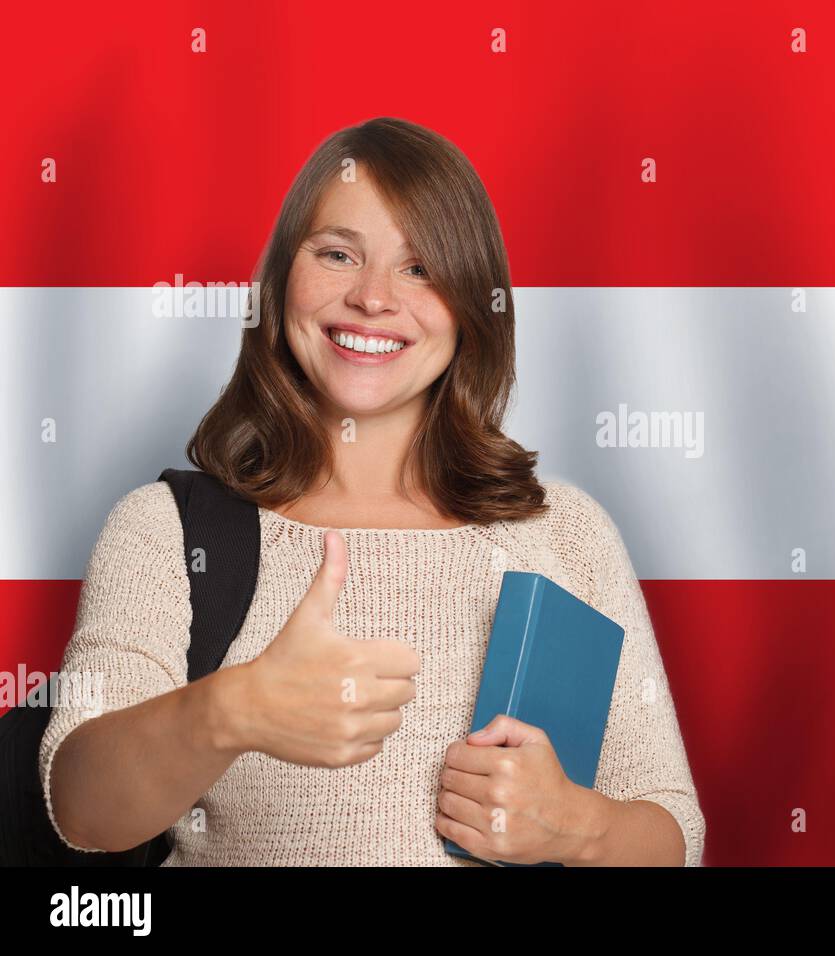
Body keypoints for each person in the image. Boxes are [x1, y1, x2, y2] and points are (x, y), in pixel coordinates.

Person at [39, 117, 704, 866]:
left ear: (471, 306)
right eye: (337, 254)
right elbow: (82, 810)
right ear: (284, 278)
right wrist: (233, 709)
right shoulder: (165, 532)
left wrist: (579, 828)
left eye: (419, 268)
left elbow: (674, 831)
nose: (373, 298)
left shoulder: (568, 534)